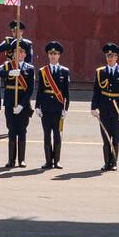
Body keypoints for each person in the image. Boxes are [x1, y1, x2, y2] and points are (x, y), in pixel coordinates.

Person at [91, 42, 119, 172]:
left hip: (117, 109)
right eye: (108, 55)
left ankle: (114, 162)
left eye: (112, 55)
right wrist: (94, 107)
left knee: (115, 137)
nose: (110, 58)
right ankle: (106, 162)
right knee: (106, 137)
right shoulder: (99, 72)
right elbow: (96, 91)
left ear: (117, 57)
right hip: (104, 109)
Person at [36, 40, 70, 170]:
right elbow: (39, 90)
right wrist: (37, 106)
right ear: (48, 55)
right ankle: (48, 161)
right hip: (46, 107)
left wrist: (65, 109)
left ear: (59, 55)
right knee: (46, 135)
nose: (53, 56)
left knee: (57, 135)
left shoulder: (64, 71)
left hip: (57, 108)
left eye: (55, 53)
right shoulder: (43, 71)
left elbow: (66, 93)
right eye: (50, 53)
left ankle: (57, 161)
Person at [1, 40, 35, 168]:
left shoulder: (29, 68)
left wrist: (21, 105)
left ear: (25, 54)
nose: (19, 54)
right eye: (16, 51)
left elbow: (30, 89)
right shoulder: (7, 65)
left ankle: (21, 160)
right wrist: (8, 73)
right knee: (11, 130)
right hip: (10, 103)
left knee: (22, 131)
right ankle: (11, 160)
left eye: (21, 52)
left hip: (23, 105)